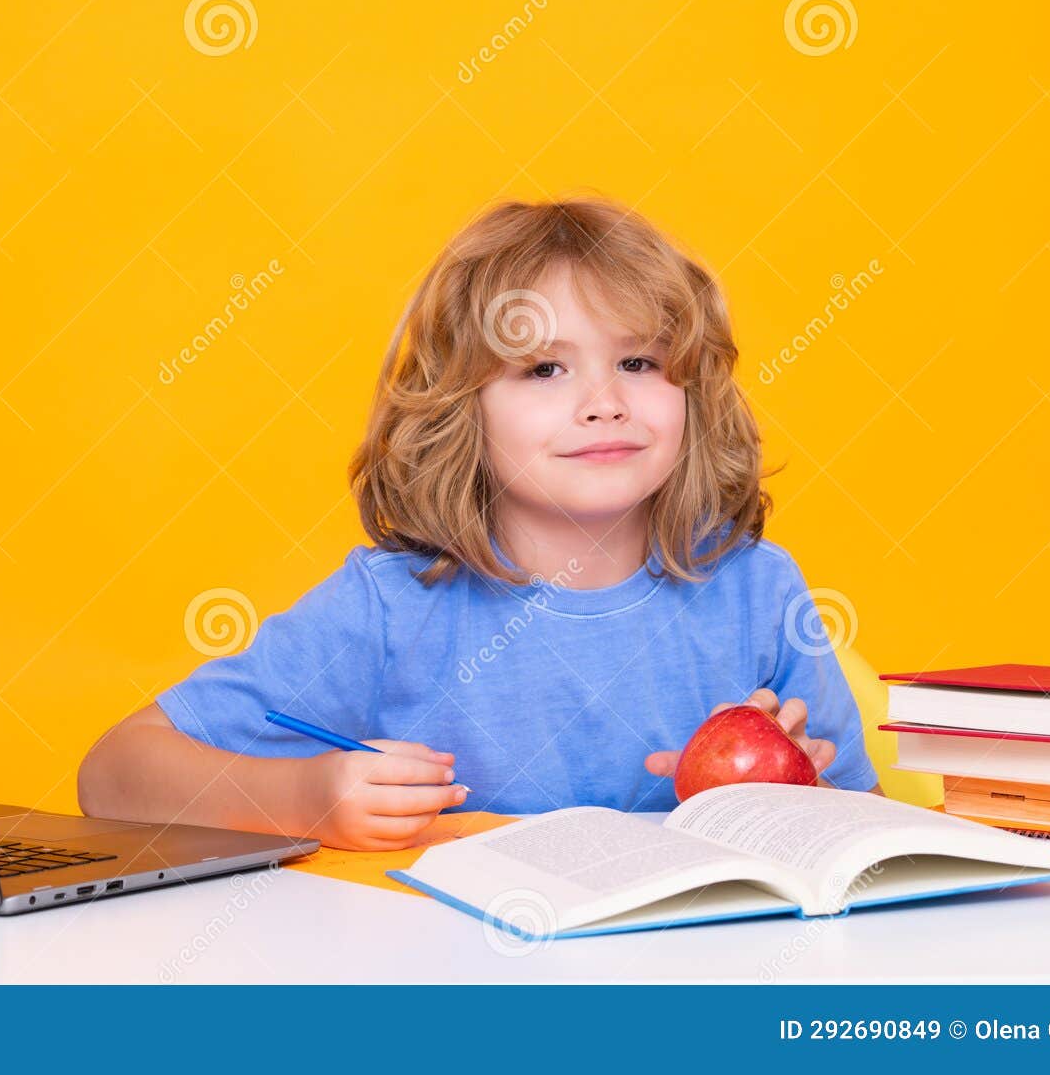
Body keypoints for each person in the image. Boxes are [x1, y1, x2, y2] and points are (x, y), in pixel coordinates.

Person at [78, 196, 881, 850]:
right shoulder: (391, 609)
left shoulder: (755, 588)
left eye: (639, 362)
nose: (605, 401)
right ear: (461, 411)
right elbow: (112, 774)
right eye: (544, 368)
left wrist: (797, 796)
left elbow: (867, 828)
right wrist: (306, 798)